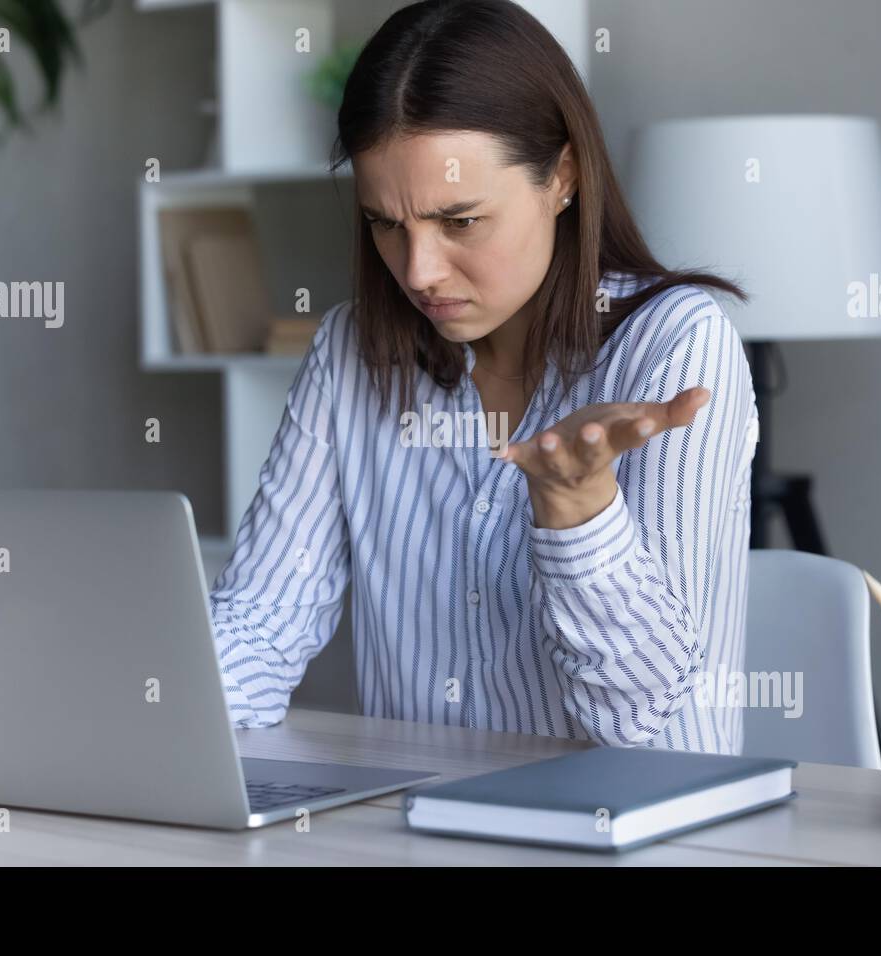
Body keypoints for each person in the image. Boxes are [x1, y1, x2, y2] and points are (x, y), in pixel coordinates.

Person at [210, 0, 759, 753]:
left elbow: (642, 720)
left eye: (460, 221)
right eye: (385, 223)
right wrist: (138, 707)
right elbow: (258, 628)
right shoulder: (351, 351)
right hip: (417, 835)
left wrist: (576, 511)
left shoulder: (676, 346)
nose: (418, 271)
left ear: (561, 177)